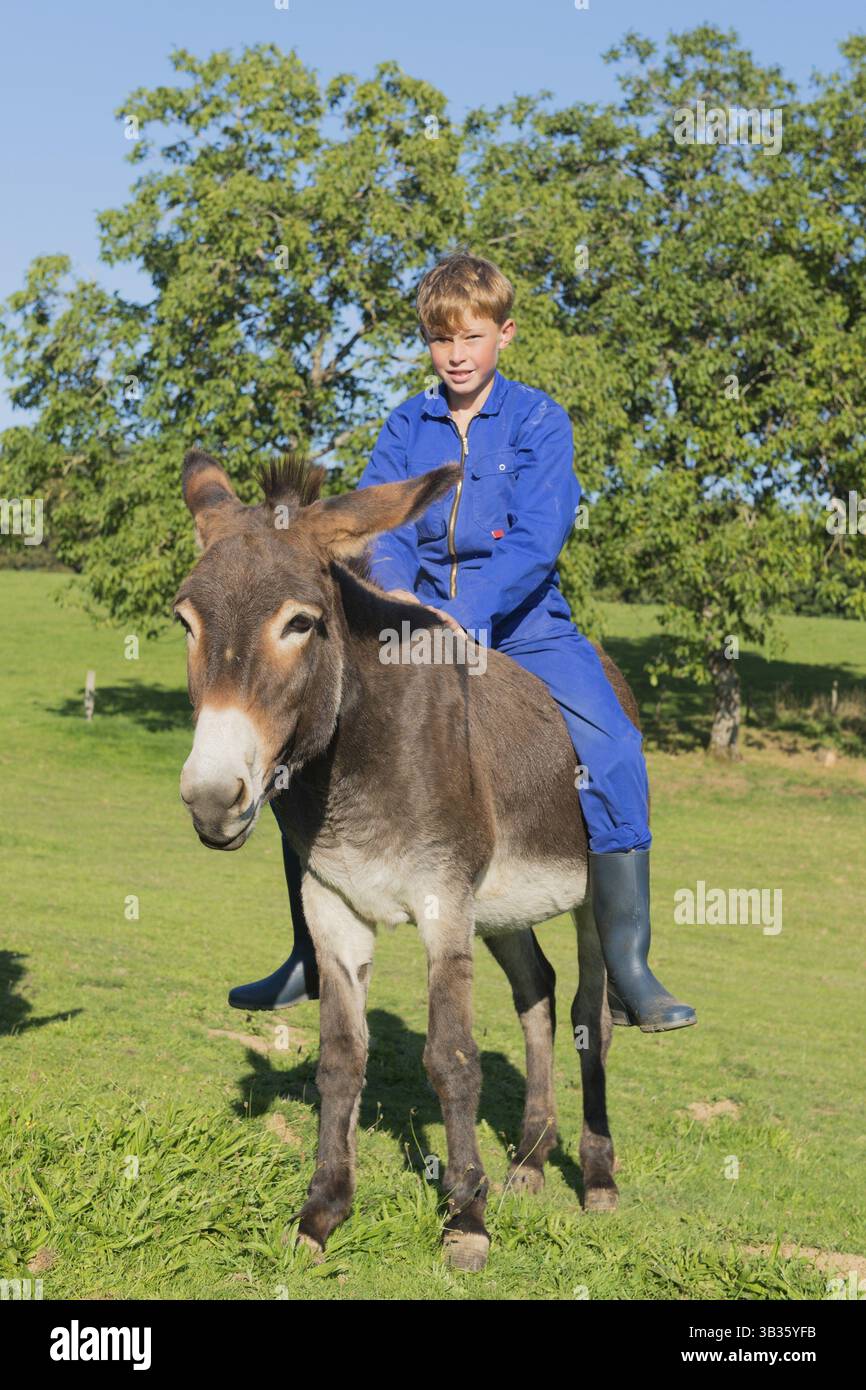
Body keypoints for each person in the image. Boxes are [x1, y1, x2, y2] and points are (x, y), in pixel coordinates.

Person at [229, 252, 696, 1033]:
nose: (456, 354)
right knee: (305, 740)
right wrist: (400, 593)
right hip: (414, 617)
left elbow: (538, 542)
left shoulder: (541, 421)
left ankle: (629, 964)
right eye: (441, 340)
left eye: (472, 337)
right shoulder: (405, 424)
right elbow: (389, 518)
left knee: (612, 747)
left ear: (503, 335)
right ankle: (307, 956)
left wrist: (467, 611)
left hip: (525, 627)